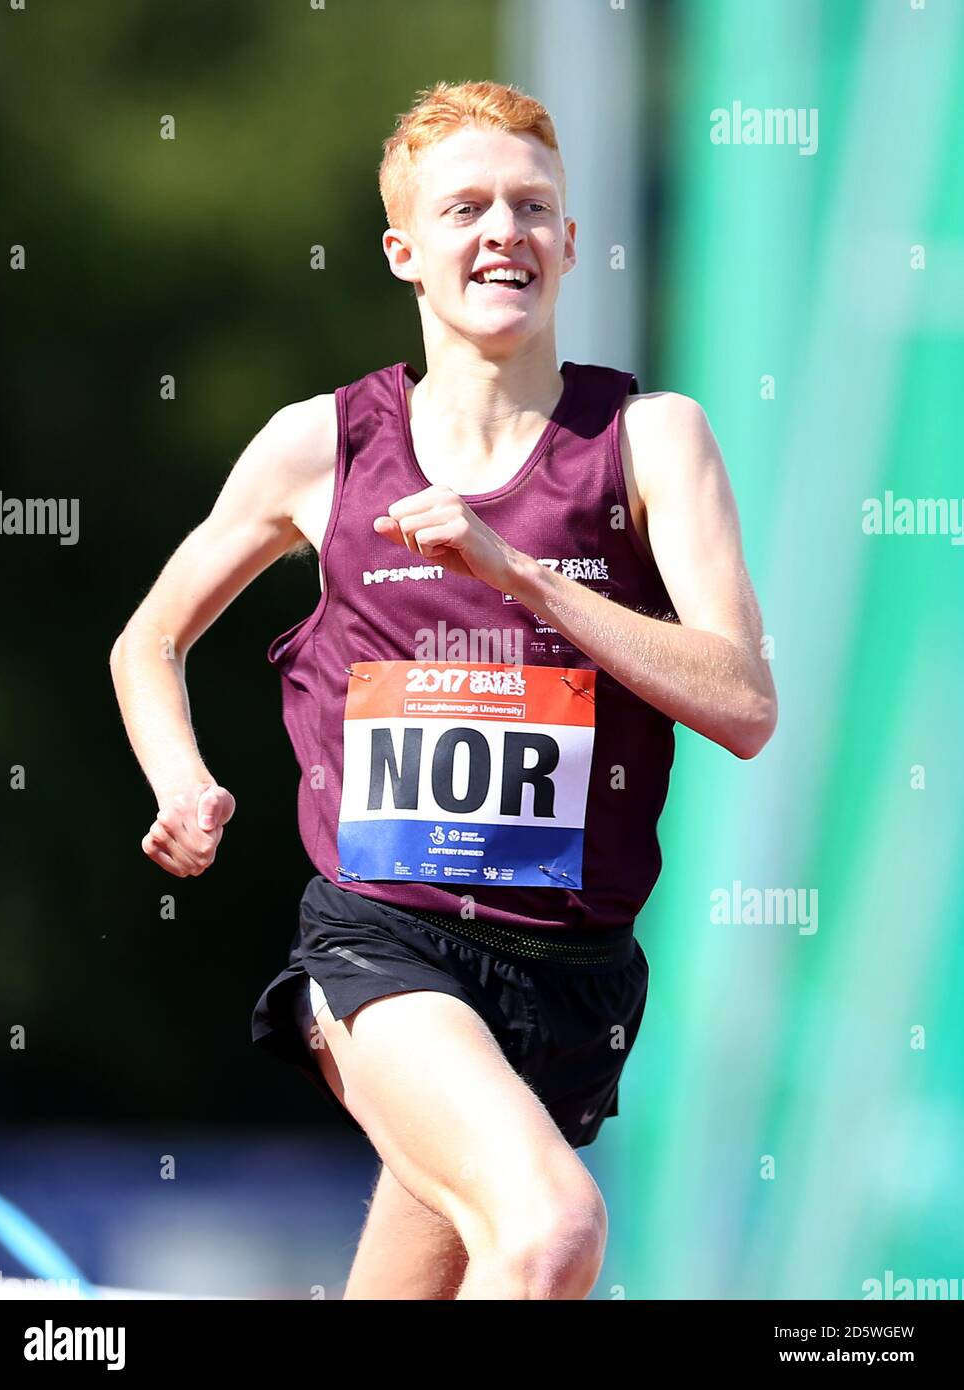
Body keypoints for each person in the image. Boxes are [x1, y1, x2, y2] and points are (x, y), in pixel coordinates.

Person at [109, 79, 777, 1301]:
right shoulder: (325, 445)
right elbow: (147, 639)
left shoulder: (650, 441)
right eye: (465, 207)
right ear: (404, 250)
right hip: (384, 942)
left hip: (575, 976)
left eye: (532, 206)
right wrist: (183, 780)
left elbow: (742, 702)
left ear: (572, 242)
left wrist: (516, 570)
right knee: (552, 1232)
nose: (502, 232)